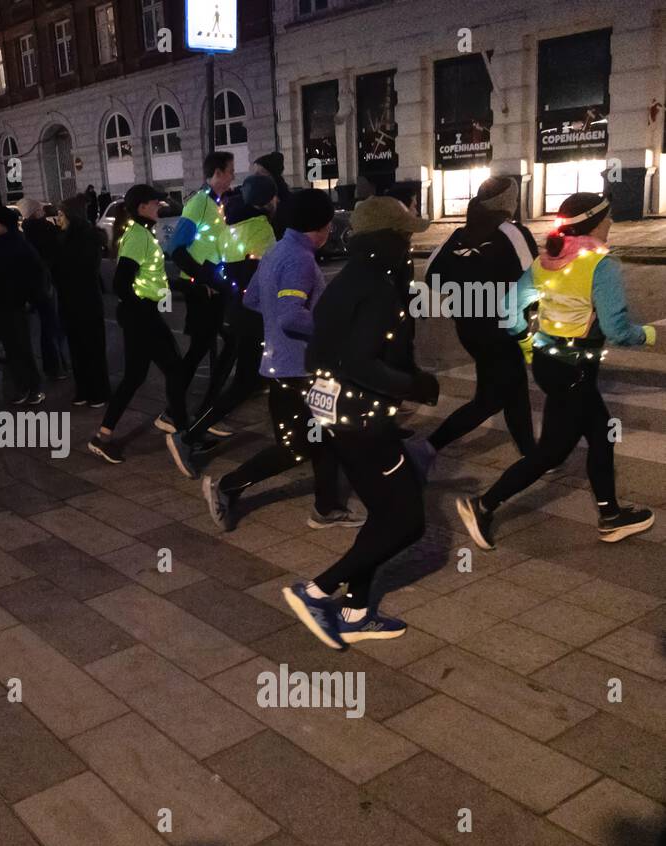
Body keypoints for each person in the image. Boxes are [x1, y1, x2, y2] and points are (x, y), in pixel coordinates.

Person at [457, 193, 658, 549]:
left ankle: (611, 515)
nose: (611, 223)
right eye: (608, 218)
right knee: (552, 451)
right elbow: (617, 330)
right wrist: (648, 334)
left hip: (549, 361)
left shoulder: (547, 259)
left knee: (599, 434)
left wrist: (526, 348)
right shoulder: (601, 263)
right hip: (576, 368)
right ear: (595, 223)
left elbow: (510, 309)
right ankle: (483, 505)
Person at [281, 197, 439, 649]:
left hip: (338, 415)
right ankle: (315, 591)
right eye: (406, 236)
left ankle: (355, 611)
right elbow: (359, 360)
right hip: (363, 420)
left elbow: (323, 350)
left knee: (384, 512)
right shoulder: (377, 287)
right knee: (408, 521)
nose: (410, 244)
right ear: (389, 239)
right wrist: (417, 385)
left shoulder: (349, 280)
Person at [198, 189, 360, 530]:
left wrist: (276, 326)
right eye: (329, 226)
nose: (330, 232)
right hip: (299, 369)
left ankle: (327, 507)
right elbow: (290, 316)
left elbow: (253, 299)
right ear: (319, 226)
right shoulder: (300, 260)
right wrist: (329, 328)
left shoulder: (276, 251)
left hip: (281, 364)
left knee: (323, 436)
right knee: (295, 447)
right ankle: (227, 486)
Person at [405, 177, 537, 475]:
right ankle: (428, 447)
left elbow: (432, 274)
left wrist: (461, 296)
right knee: (491, 399)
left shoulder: (459, 234)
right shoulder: (512, 232)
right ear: (508, 203)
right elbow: (535, 276)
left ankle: (530, 452)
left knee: (514, 389)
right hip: (503, 329)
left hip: (469, 328)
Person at [168, 173, 280, 470]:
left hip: (238, 311)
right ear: (269, 201)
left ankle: (290, 438)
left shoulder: (230, 224)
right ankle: (189, 437)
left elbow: (223, 270)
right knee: (249, 381)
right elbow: (266, 277)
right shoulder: (261, 229)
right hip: (255, 317)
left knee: (256, 379)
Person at [87, 185, 188, 464]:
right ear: (143, 207)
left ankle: (102, 436)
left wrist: (185, 285)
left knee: (135, 376)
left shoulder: (142, 233)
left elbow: (151, 277)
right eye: (156, 203)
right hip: (141, 315)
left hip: (142, 313)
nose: (161, 207)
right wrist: (141, 312)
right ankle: (182, 433)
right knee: (174, 369)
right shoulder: (138, 236)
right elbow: (120, 282)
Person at [167, 151, 237, 430]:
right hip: (202, 290)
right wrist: (203, 279)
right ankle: (177, 411)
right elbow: (176, 250)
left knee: (224, 343)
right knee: (201, 350)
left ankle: (206, 409)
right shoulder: (198, 202)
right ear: (218, 172)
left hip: (215, 287)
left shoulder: (218, 202)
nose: (233, 175)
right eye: (230, 170)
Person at [0, 205, 47, 404]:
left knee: (21, 347)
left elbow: (35, 274)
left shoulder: (18, 244)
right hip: (2, 305)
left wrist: (29, 299)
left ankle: (32, 387)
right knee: (12, 348)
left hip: (16, 305)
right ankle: (22, 387)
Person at [52, 194, 110, 406]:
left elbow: (81, 269)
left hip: (86, 300)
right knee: (77, 347)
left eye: (61, 214)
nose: (58, 219)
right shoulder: (64, 237)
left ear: (72, 216)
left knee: (92, 347)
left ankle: (98, 392)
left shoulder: (86, 238)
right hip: (69, 300)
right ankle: (83, 389)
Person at [17, 198, 68, 381]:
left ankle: (54, 366)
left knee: (49, 326)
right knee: (53, 326)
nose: (43, 211)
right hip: (48, 283)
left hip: (38, 286)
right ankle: (56, 366)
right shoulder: (44, 229)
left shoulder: (25, 233)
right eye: (39, 209)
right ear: (34, 212)